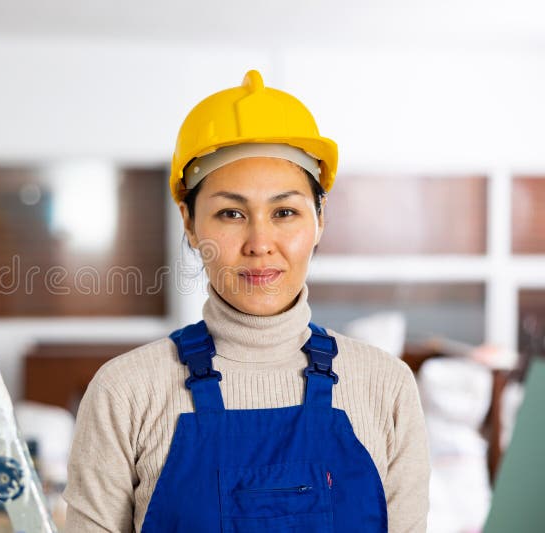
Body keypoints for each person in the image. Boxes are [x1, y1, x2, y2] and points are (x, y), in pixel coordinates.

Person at [63, 70, 430, 532]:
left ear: (319, 220)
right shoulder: (126, 392)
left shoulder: (387, 388)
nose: (260, 242)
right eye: (231, 213)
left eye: (285, 212)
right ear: (191, 224)